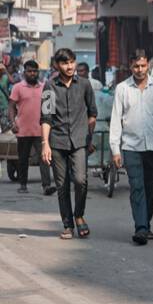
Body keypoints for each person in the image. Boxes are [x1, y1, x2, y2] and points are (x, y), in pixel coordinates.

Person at [110, 50, 153, 245]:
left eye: (143, 66)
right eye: (136, 66)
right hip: (131, 147)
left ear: (148, 66)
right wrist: (115, 150)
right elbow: (116, 120)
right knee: (136, 187)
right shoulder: (122, 89)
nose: (140, 70)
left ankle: (145, 224)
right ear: (130, 67)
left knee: (150, 187)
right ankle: (140, 228)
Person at [41, 49, 97, 239]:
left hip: (80, 141)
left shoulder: (85, 85)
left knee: (81, 180)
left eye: (72, 62)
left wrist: (90, 137)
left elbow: (92, 113)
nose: (70, 66)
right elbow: (46, 117)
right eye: (65, 63)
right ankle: (68, 224)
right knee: (62, 185)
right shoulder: (49, 86)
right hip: (57, 142)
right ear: (57, 65)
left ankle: (79, 215)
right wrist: (45, 144)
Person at [8, 59, 54, 195]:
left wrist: (52, 125)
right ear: (24, 72)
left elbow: (50, 108)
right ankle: (23, 185)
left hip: (42, 131)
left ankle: (46, 186)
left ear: (38, 73)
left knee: (44, 159)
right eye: (29, 71)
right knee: (23, 159)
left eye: (34, 71)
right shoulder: (17, 87)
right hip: (23, 130)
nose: (32, 74)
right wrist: (12, 122)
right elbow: (11, 106)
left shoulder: (45, 87)